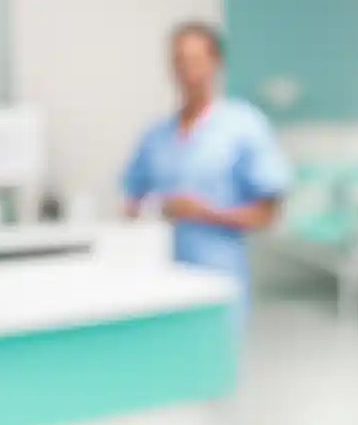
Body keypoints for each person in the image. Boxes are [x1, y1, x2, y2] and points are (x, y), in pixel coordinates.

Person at [123, 22, 291, 334]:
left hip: (218, 279)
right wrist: (156, 209)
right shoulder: (156, 136)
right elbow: (131, 204)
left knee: (214, 373)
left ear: (216, 63)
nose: (187, 71)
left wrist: (206, 213)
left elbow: (269, 215)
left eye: (195, 60)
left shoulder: (243, 126)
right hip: (160, 280)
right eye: (178, 61)